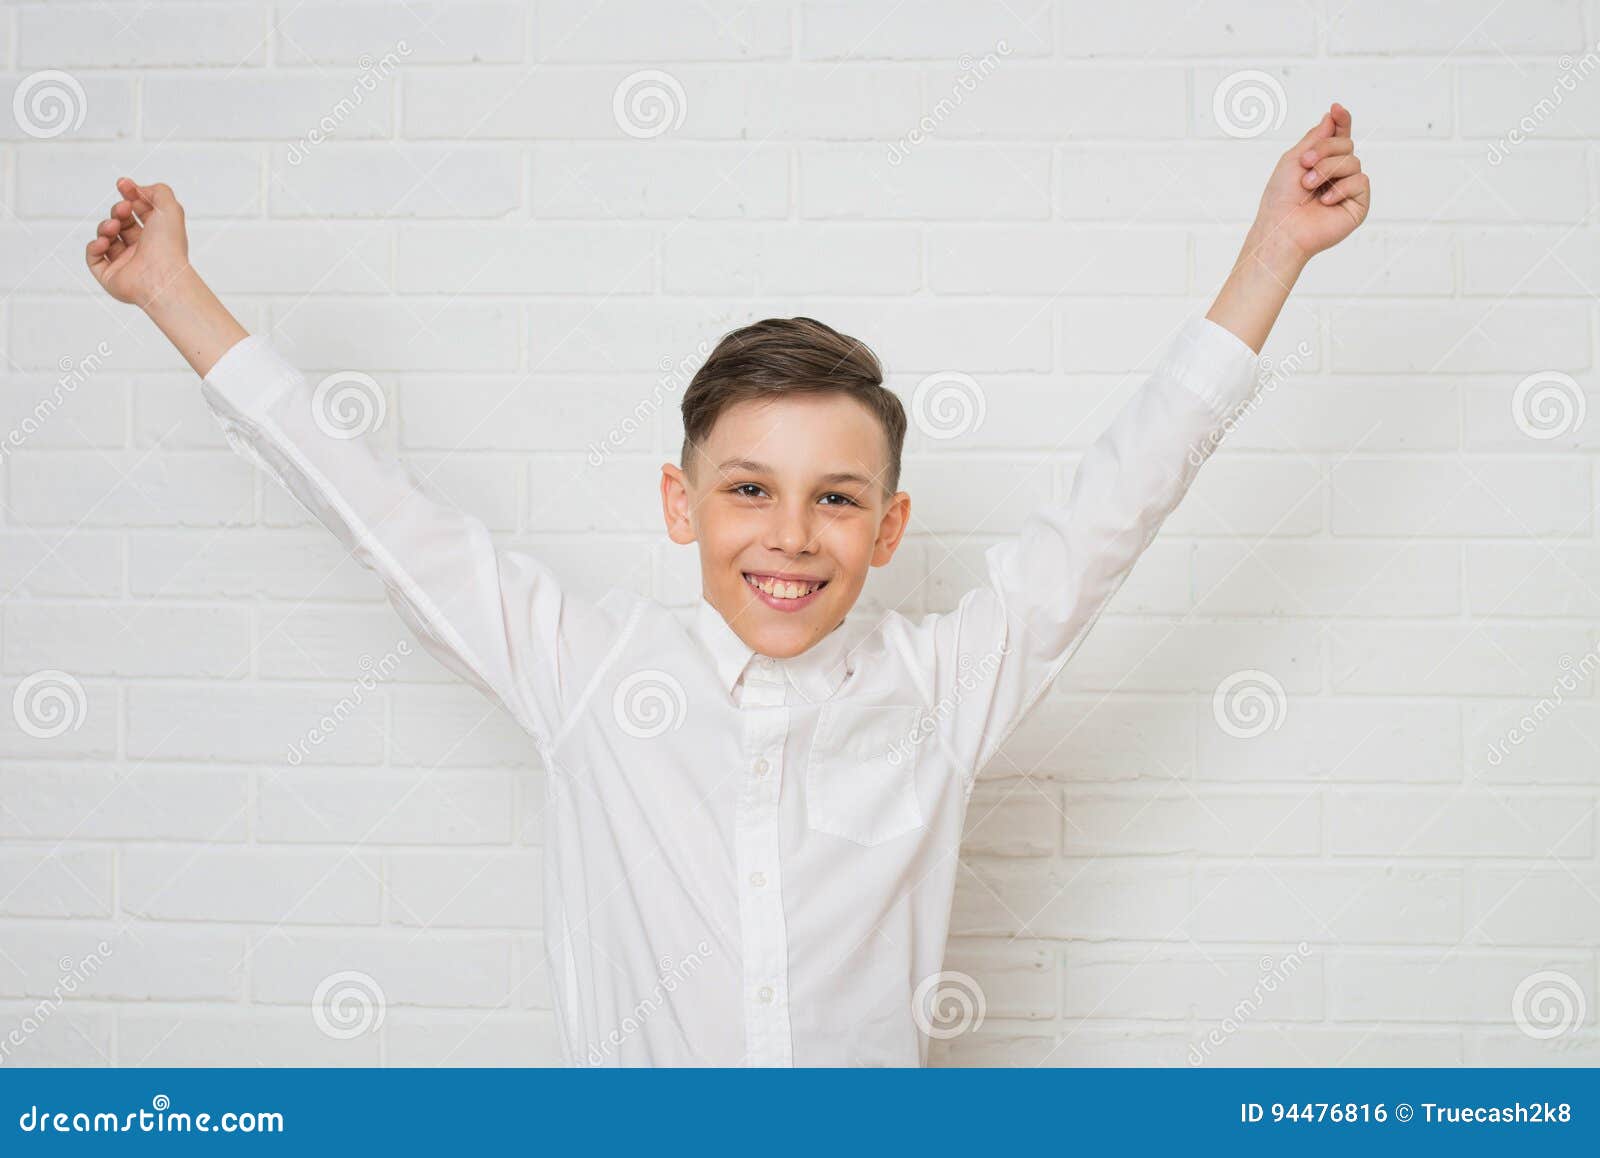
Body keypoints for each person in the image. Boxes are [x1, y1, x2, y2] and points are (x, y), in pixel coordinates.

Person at [85, 103, 1369, 1066]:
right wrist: (172, 293)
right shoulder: (586, 671)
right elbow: (377, 511)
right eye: (750, 489)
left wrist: (1274, 253)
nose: (791, 537)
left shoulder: (942, 688)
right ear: (680, 504)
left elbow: (1117, 504)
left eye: (837, 499)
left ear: (888, 527)